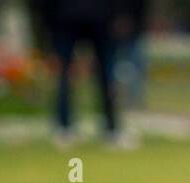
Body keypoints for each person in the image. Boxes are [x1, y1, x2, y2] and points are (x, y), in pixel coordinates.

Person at [39, 0, 130, 147]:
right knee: (73, 75)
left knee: (101, 76)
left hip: (84, 17)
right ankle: (107, 128)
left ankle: (69, 127)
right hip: (78, 17)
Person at [114, 0, 150, 110]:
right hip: (115, 33)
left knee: (136, 67)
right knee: (116, 67)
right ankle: (117, 99)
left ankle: (134, 101)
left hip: (135, 33)